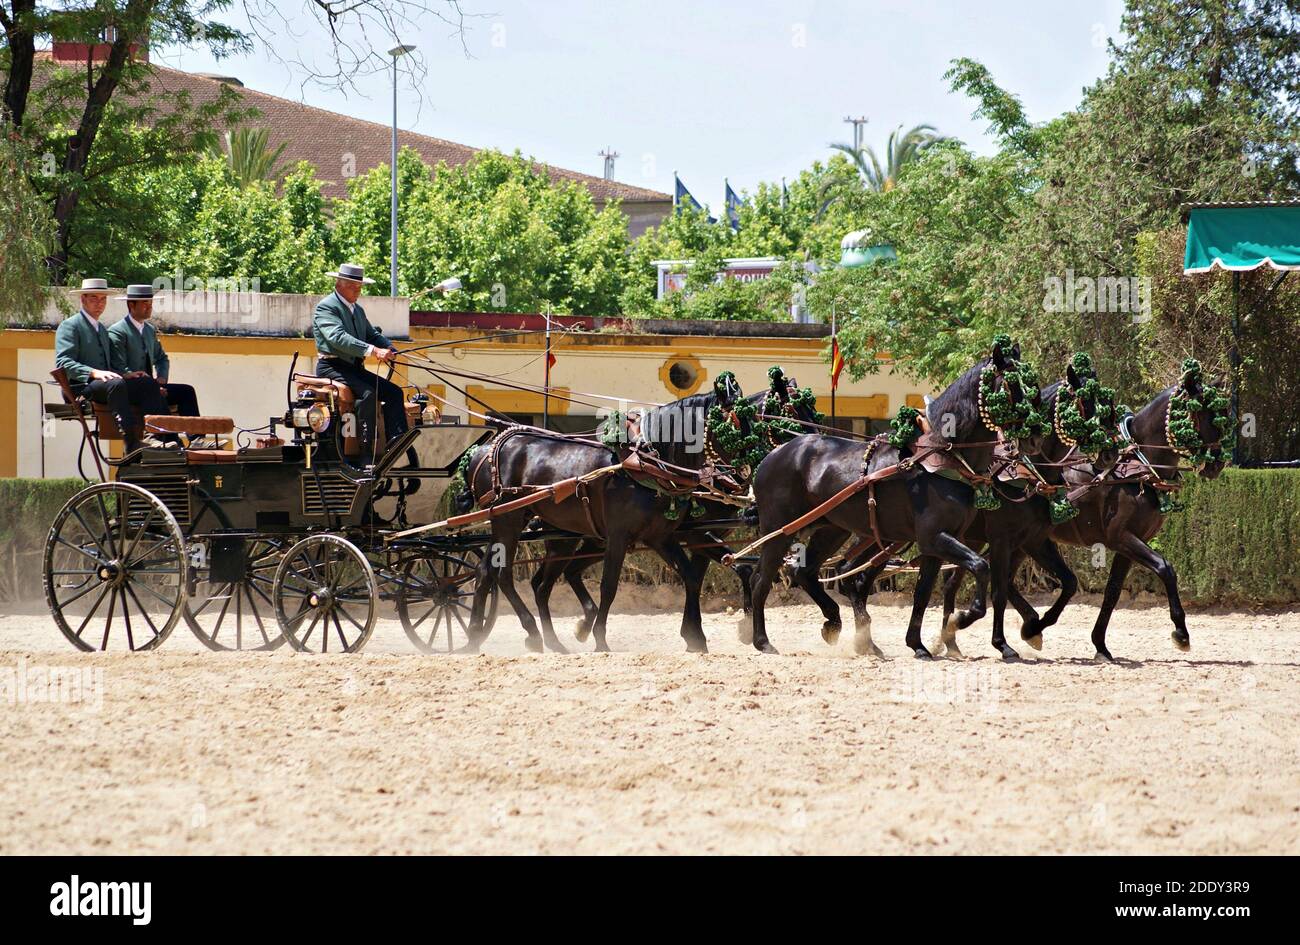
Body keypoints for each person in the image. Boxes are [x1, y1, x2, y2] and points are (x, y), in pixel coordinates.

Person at [54, 278, 172, 453]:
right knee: (115, 384)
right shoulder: (70, 326)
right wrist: (94, 373)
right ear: (83, 299)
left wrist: (126, 375)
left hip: (106, 384)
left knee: (147, 383)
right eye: (94, 298)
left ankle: (157, 437)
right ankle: (131, 442)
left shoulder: (101, 329)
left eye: (103, 299)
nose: (99, 303)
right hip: (80, 387)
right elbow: (63, 362)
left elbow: (110, 365)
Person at [312, 262, 408, 462]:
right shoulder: (327, 307)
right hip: (332, 366)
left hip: (353, 368)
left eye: (359, 287)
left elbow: (371, 335)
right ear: (340, 284)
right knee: (368, 394)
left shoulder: (357, 310)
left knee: (394, 393)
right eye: (354, 287)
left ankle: (398, 442)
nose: (358, 291)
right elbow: (338, 338)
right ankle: (367, 451)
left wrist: (389, 348)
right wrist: (373, 351)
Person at [107, 284, 201, 416]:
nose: (149, 306)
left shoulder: (149, 330)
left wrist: (161, 378)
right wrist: (152, 387)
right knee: (155, 394)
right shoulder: (117, 332)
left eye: (151, 303)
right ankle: (167, 436)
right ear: (131, 305)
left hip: (151, 386)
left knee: (186, 391)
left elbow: (161, 358)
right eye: (145, 303)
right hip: (129, 389)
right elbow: (119, 367)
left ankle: (196, 435)